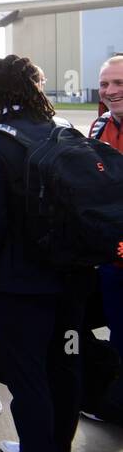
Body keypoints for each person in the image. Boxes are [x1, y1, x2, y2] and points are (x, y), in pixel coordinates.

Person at [0, 55, 92, 452]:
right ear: (35, 87)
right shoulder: (66, 131)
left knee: (27, 373)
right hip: (72, 274)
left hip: (19, 279)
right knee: (63, 365)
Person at [91, 55, 123, 360]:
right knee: (118, 330)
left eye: (119, 83)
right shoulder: (99, 125)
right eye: (104, 84)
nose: (110, 90)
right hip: (111, 256)